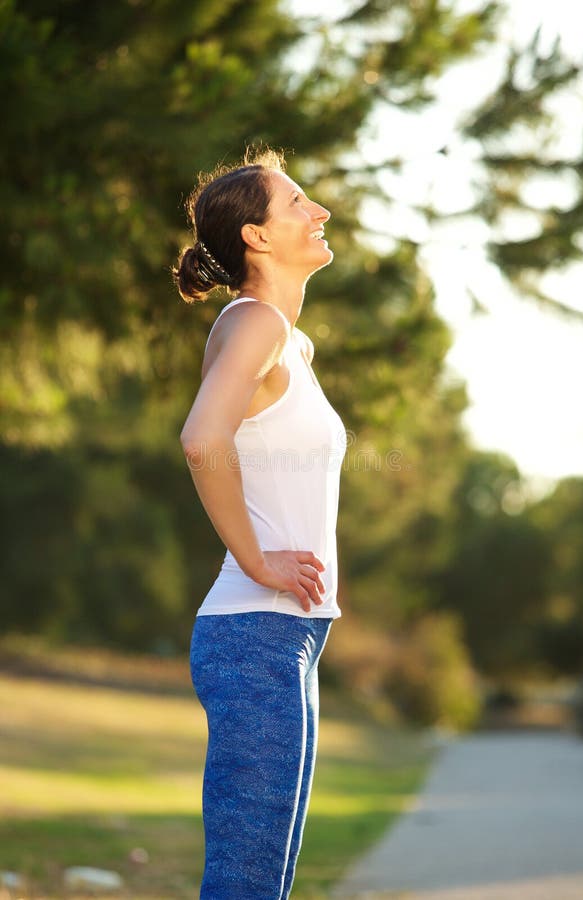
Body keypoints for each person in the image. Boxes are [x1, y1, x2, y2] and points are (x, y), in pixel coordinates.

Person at [173, 147, 346, 900]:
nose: (320, 211)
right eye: (299, 202)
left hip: (290, 637)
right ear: (256, 238)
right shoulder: (254, 325)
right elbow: (201, 440)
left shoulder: (289, 341)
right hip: (254, 634)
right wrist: (259, 560)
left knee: (263, 884)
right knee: (246, 885)